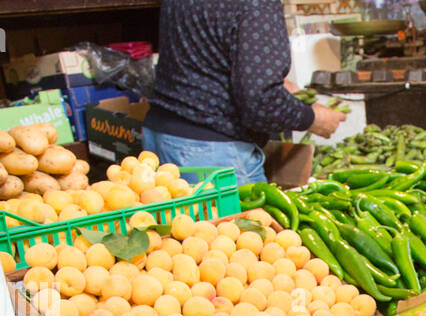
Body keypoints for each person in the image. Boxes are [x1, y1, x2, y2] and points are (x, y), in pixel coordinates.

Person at [143, 0, 346, 185]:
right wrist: (314, 118)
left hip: (161, 137)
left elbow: (205, 53)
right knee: (243, 225)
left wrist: (273, 82)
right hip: (212, 153)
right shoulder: (258, 4)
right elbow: (261, 102)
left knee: (178, 225)